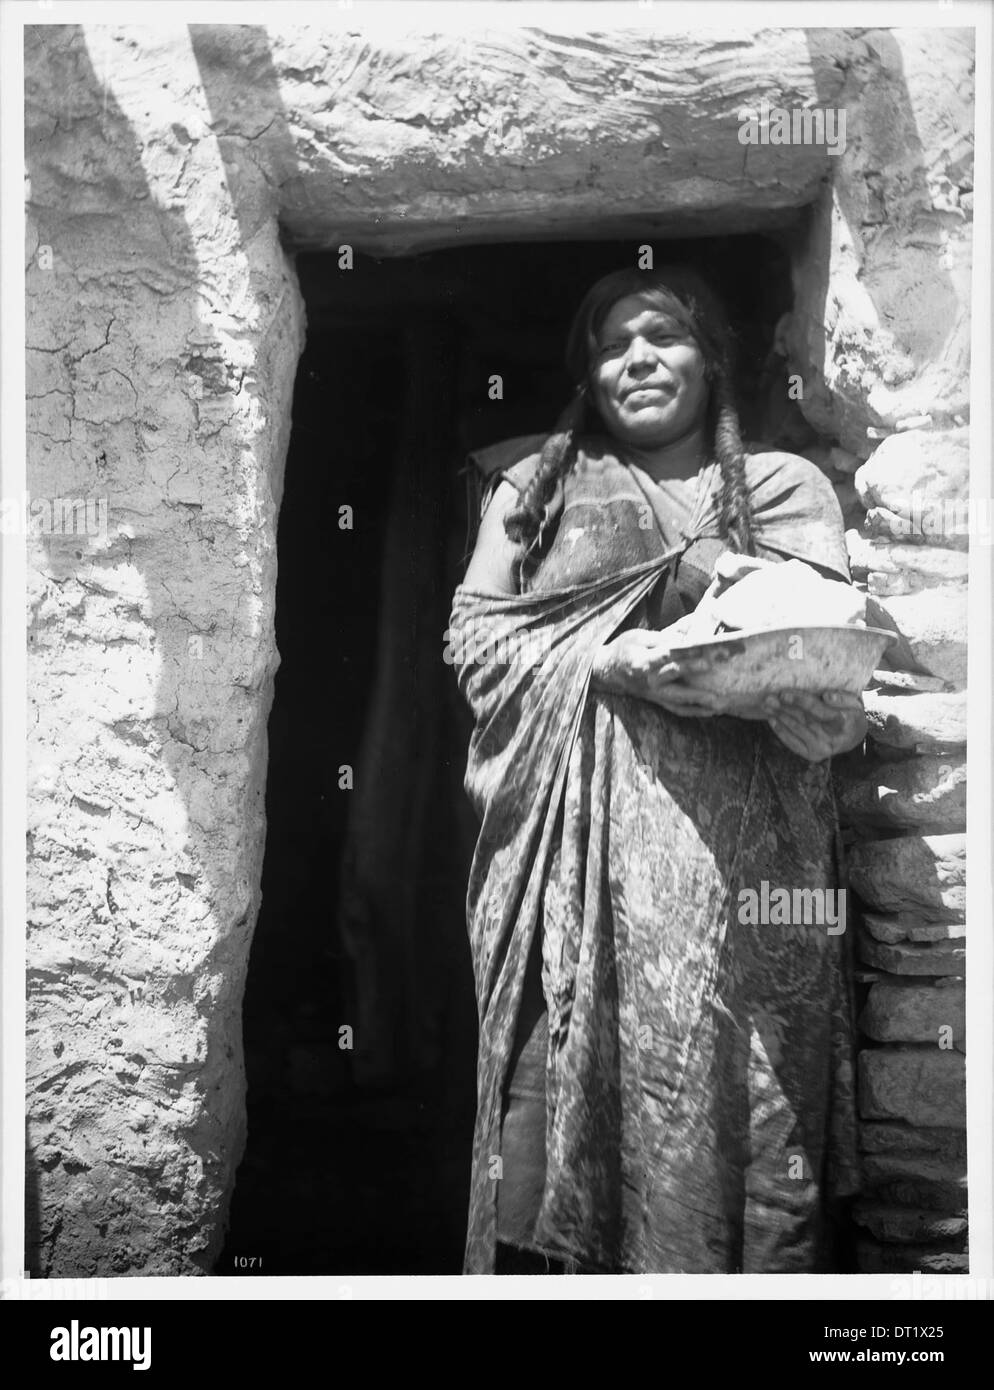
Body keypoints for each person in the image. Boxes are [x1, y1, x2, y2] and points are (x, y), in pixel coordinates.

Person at [449, 266, 866, 1276]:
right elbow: (472, 641)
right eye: (611, 343)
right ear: (587, 374)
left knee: (745, 1104)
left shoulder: (780, 489)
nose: (636, 358)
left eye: (665, 335)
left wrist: (758, 682)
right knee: (561, 1098)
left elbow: (830, 670)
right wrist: (602, 659)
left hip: (737, 878)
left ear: (712, 359)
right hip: (573, 868)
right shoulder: (531, 487)